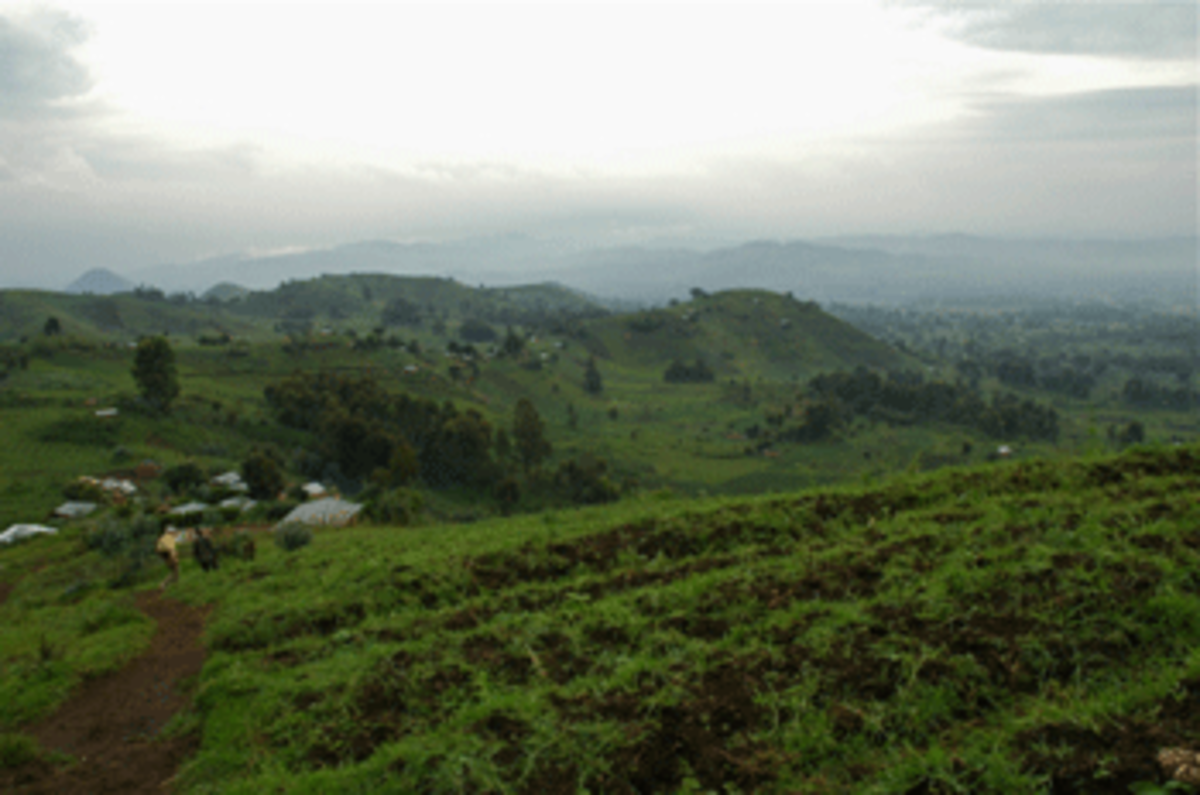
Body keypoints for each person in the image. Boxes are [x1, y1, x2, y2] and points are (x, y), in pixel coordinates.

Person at [155, 525, 180, 590]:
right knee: (175, 570)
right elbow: (171, 550)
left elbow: (159, 549)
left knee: (175, 570)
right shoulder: (169, 538)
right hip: (168, 556)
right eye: (173, 532)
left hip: (165, 556)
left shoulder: (163, 537)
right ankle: (163, 584)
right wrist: (174, 557)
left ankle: (175, 583)